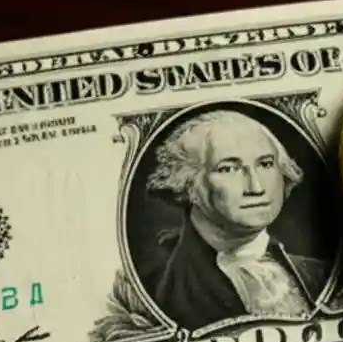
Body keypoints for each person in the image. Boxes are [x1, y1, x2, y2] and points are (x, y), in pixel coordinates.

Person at [142, 109, 331, 330]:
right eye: (229, 169)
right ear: (187, 184)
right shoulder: (156, 292)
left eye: (266, 164)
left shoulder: (318, 274)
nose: (256, 188)